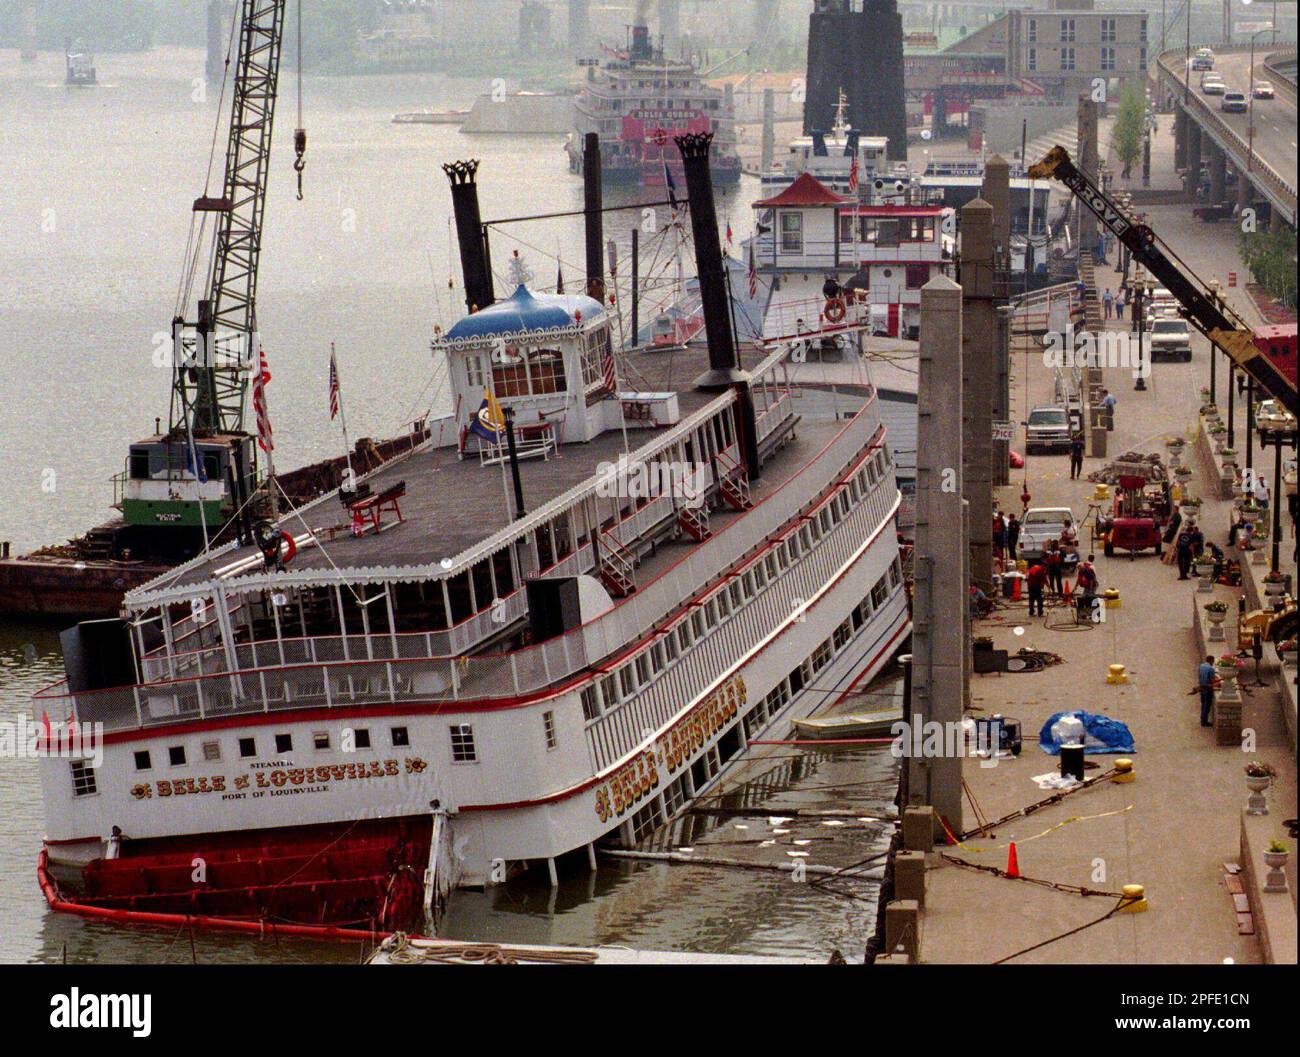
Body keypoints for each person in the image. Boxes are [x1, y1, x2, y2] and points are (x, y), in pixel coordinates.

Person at [1194, 655, 1219, 727]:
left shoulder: (1201, 666)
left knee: (1203, 704)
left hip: (1202, 687)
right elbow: (1212, 680)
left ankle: (1202, 719)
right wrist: (1218, 681)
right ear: (1211, 660)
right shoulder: (1211, 669)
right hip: (1208, 689)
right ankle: (1204, 722)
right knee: (1207, 706)